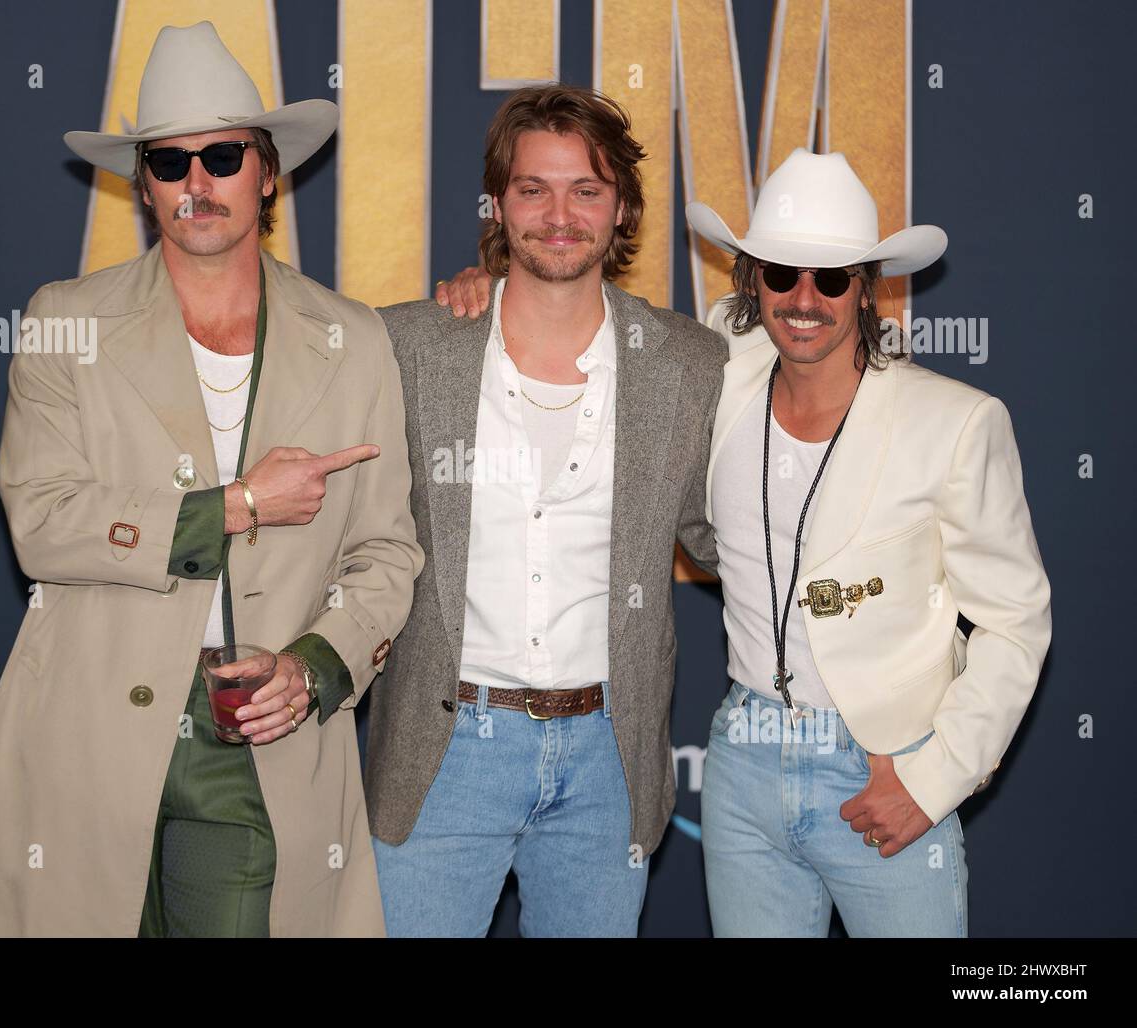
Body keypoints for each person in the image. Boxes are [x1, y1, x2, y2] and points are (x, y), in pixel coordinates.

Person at [0, 21, 422, 937]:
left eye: (221, 154)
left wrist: (316, 666)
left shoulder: (354, 340)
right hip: (86, 734)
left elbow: (386, 551)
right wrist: (239, 505)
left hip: (256, 744)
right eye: (169, 162)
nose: (196, 183)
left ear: (268, 169)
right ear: (144, 184)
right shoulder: (63, 321)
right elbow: (42, 523)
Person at [366, 84, 727, 937]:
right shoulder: (410, 346)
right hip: (443, 748)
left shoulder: (688, 363)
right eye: (533, 188)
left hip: (609, 757)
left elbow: (737, 537)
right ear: (498, 203)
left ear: (624, 206)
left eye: (586, 190)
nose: (559, 215)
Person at [686, 147, 1051, 936]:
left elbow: (1017, 620)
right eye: (781, 273)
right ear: (751, 281)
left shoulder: (953, 422)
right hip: (744, 761)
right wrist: (490, 285)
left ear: (868, 288)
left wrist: (935, 779)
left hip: (882, 763)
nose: (805, 298)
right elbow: (594, 335)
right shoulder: (719, 375)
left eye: (833, 277)